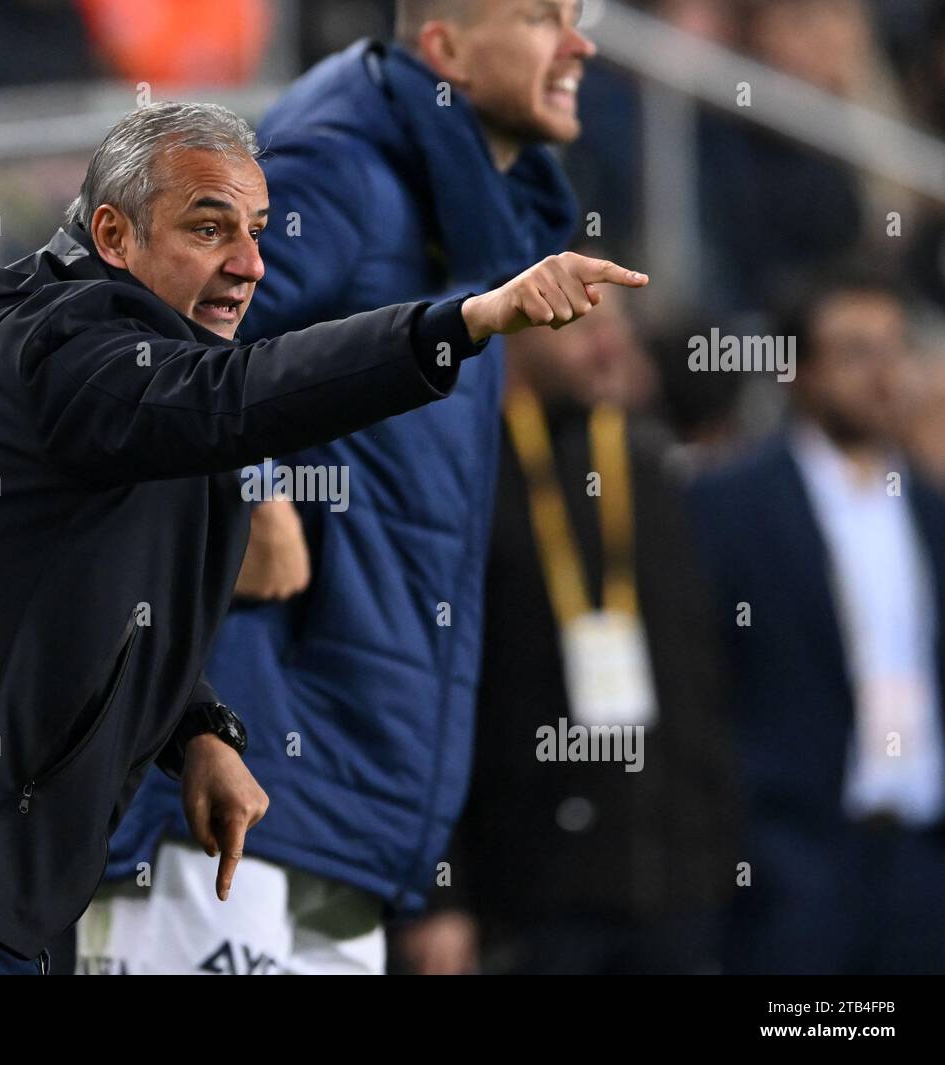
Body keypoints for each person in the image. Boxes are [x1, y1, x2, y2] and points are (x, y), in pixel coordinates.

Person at [0, 100, 649, 975]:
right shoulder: (74, 354)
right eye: (209, 227)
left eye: (258, 231)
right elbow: (241, 397)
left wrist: (197, 731)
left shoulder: (125, 369)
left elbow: (90, 591)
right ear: (113, 235)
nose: (249, 265)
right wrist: (461, 323)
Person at [93, 0, 594, 974]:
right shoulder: (340, 165)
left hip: (331, 771)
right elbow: (144, 348)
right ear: (443, 47)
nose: (578, 46)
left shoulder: (456, 205)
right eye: (542, 19)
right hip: (233, 764)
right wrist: (251, 486)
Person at [398, 293, 738, 975]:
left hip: (676, 892)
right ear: (512, 332)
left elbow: (702, 681)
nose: (608, 344)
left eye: (617, 325)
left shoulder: (652, 475)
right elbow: (421, 699)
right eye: (581, 326)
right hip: (526, 899)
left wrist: (720, 861)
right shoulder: (463, 478)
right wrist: (439, 892)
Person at [687, 271, 945, 974]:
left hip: (921, 863)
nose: (885, 374)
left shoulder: (931, 510)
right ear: (798, 370)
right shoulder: (728, 505)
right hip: (792, 860)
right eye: (857, 353)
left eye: (897, 350)